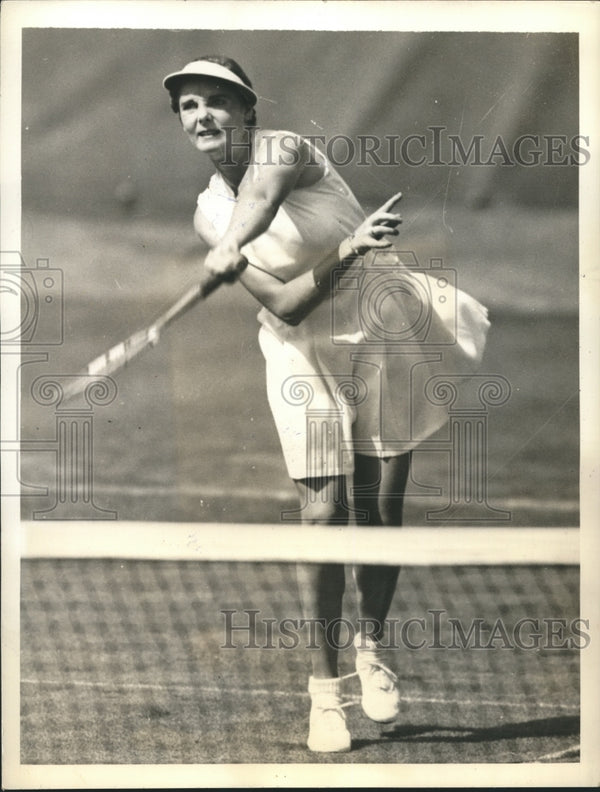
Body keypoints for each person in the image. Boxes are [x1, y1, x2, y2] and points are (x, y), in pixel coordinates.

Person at [163, 56, 489, 753]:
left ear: (248, 111)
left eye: (217, 100)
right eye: (189, 105)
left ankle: (371, 648)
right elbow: (287, 303)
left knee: (378, 508)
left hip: (380, 324)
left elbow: (260, 199)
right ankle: (324, 692)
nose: (203, 115)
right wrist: (337, 246)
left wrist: (236, 245)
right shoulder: (206, 212)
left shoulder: (282, 148)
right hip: (300, 347)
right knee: (321, 514)